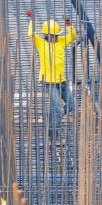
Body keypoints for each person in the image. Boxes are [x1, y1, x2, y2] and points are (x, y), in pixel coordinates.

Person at [26, 9, 78, 139]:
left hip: (61, 80)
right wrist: (31, 20)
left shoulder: (61, 42)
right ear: (47, 35)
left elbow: (73, 36)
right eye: (53, 35)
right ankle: (53, 132)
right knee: (59, 110)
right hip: (48, 81)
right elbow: (30, 34)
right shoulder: (40, 43)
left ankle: (52, 116)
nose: (55, 37)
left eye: (56, 35)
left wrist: (68, 23)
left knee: (72, 106)